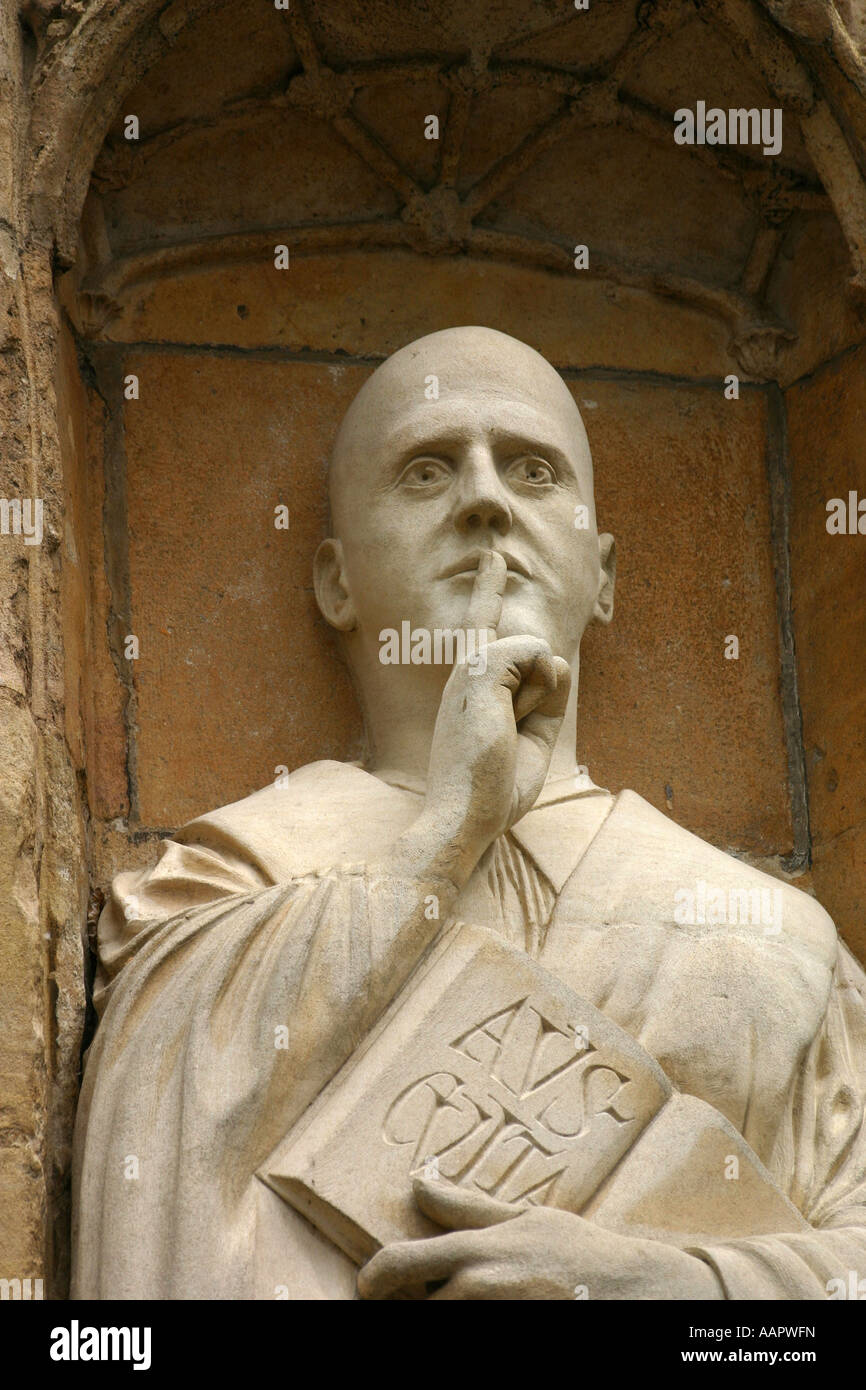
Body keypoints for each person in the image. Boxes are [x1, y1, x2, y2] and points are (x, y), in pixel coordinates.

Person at [72, 327, 866, 1300]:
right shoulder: (222, 888)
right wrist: (448, 832)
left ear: (602, 573)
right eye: (425, 470)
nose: (484, 499)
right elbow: (151, 1196)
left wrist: (670, 1291)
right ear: (336, 581)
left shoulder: (778, 942)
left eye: (532, 471)